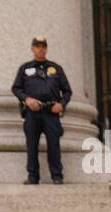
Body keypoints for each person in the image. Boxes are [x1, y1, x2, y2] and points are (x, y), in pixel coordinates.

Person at [11, 36, 71, 185]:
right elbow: (16, 88)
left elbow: (67, 91)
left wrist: (61, 105)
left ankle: (57, 175)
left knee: (54, 145)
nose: (40, 49)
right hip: (33, 112)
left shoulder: (56, 68)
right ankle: (32, 176)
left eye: (43, 46)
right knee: (31, 145)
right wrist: (27, 99)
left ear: (46, 49)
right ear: (32, 49)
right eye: (37, 46)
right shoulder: (25, 68)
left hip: (51, 111)